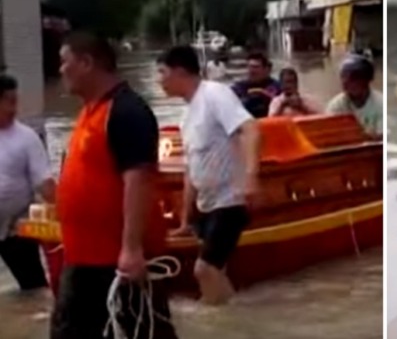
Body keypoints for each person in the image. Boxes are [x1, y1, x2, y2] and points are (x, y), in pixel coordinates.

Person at [52, 32, 176, 339]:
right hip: (83, 259)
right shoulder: (91, 111)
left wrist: (131, 248)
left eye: (65, 62)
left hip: (115, 262)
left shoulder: (126, 111)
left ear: (86, 63)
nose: (60, 70)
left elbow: (139, 180)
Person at [158, 45, 259, 305]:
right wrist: (185, 220)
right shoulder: (186, 116)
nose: (160, 81)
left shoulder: (215, 94)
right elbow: (191, 170)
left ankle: (223, 321)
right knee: (215, 272)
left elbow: (250, 129)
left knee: (205, 270)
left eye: (163, 73)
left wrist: (251, 178)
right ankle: (232, 318)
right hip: (207, 205)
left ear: (180, 72)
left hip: (231, 199)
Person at [0, 74, 55, 292]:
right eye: (8, 101)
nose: (14, 108)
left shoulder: (27, 138)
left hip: (17, 229)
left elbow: (45, 185)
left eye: (15, 101)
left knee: (34, 288)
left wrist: (68, 217)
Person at [326, 55, 383, 140]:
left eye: (354, 78)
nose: (346, 82)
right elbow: (329, 135)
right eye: (344, 77)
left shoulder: (381, 103)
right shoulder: (336, 106)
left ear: (366, 80)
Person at [232, 52, 281, 118]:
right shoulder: (238, 88)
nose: (251, 71)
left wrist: (266, 96)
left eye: (256, 67)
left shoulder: (277, 87)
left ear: (266, 70)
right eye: (249, 67)